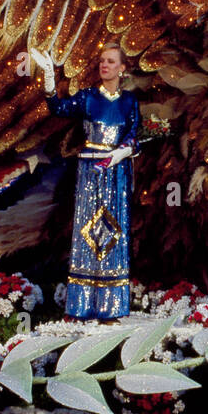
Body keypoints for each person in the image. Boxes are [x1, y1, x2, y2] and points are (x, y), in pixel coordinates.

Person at [34, 43, 140, 320]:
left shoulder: (130, 101)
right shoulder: (88, 97)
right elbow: (58, 107)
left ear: (122, 68)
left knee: (113, 230)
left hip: (115, 172)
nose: (105, 65)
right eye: (102, 61)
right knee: (88, 230)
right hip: (90, 170)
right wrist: (48, 80)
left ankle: (111, 306)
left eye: (111, 61)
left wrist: (121, 153)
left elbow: (133, 134)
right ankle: (81, 305)